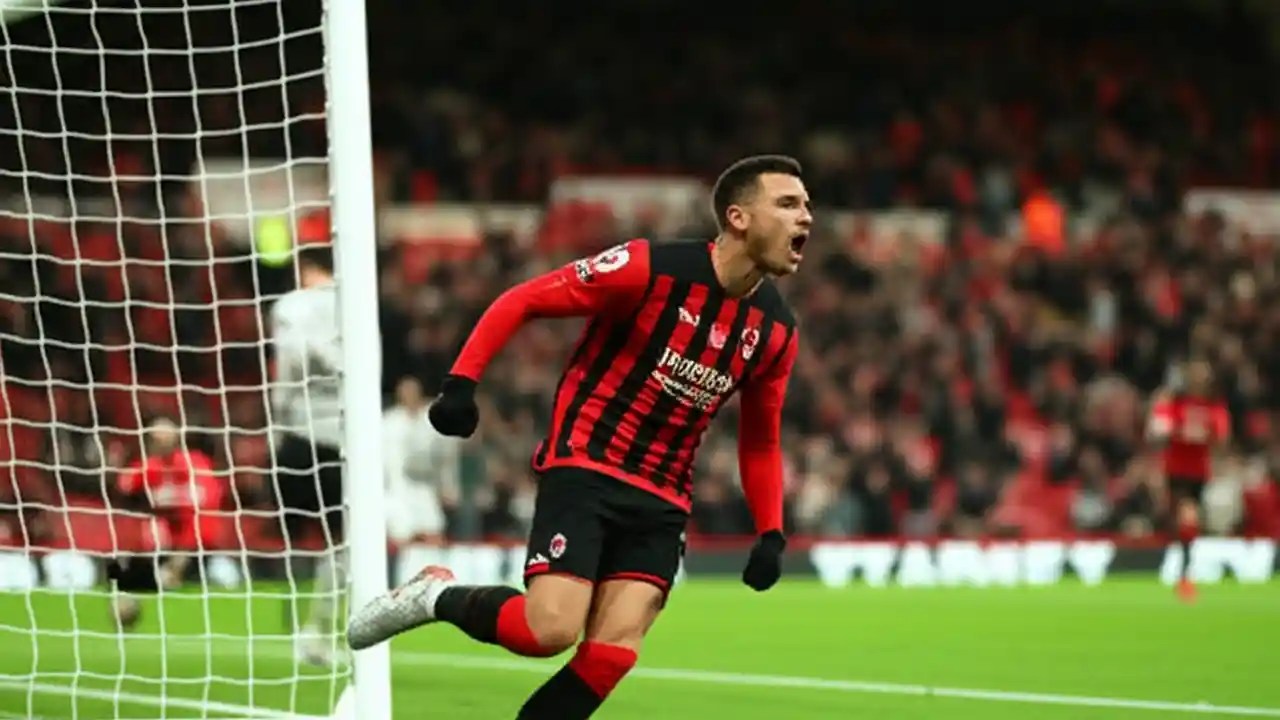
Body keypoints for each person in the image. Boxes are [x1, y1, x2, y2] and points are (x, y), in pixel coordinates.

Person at [348, 155, 810, 719]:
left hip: (664, 493)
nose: (804, 217)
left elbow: (760, 440)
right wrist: (460, 384)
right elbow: (524, 299)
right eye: (788, 204)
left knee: (613, 652)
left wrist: (771, 531)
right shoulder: (650, 269)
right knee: (548, 630)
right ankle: (433, 596)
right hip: (589, 462)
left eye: (805, 206)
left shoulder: (777, 331)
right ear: (738, 217)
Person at [268, 243, 347, 665]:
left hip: (299, 433)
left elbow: (289, 361)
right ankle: (318, 629)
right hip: (342, 438)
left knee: (297, 536)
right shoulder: (355, 305)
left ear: (305, 267)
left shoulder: (291, 306)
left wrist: (278, 424)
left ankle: (303, 631)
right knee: (343, 542)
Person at [107, 417, 222, 628]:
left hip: (197, 553)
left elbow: (204, 518)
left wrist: (182, 557)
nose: (159, 445)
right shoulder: (148, 468)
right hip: (160, 551)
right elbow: (121, 486)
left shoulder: (197, 466)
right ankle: (131, 600)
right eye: (154, 439)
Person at [1146, 358, 1230, 603]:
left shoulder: (1214, 406)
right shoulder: (1174, 402)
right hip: (1177, 470)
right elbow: (1158, 429)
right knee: (1187, 516)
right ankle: (1184, 577)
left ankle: (1183, 573)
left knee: (1186, 521)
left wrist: (1202, 435)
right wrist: (1173, 429)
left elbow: (1222, 437)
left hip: (1199, 473)